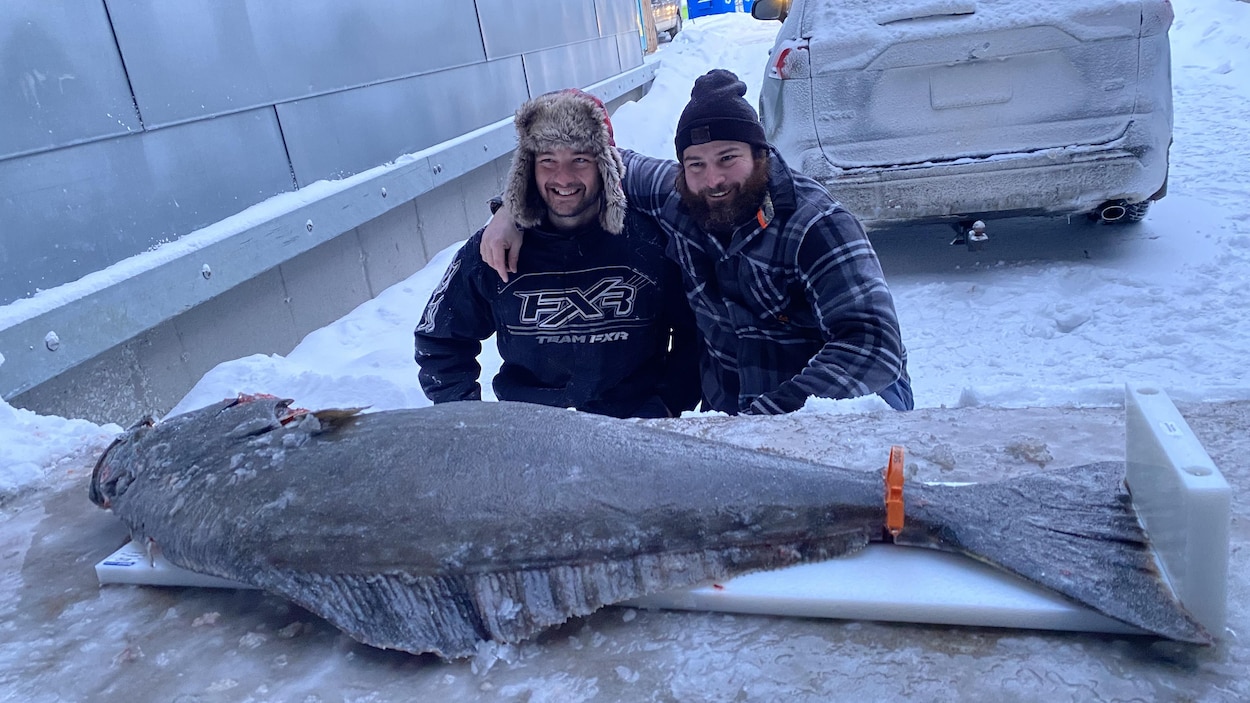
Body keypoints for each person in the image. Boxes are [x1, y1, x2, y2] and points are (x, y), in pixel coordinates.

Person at [482, 70, 913, 415]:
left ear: (760, 154)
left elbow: (873, 345)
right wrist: (512, 209)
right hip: (734, 430)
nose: (713, 180)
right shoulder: (681, 198)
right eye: (696, 163)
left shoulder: (817, 225)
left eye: (728, 158)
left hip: (843, 420)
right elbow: (601, 165)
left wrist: (777, 418)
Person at [414, 89, 701, 419]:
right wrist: (470, 420)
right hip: (532, 434)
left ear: (605, 164)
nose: (563, 178)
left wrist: (666, 402)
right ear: (528, 168)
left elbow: (695, 334)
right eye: (547, 159)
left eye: (580, 159)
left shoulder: (650, 242)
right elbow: (439, 341)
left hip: (634, 430)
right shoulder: (493, 248)